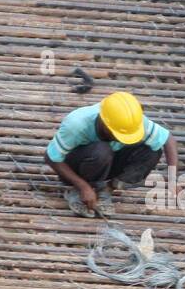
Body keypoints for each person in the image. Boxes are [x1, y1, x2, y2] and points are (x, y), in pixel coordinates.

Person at [45, 91, 178, 217]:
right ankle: (78, 190)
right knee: (102, 150)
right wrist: (83, 186)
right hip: (76, 168)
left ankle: (105, 190)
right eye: (117, 135)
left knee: (151, 151)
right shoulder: (77, 124)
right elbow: (51, 157)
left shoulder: (131, 123)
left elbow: (168, 139)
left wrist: (172, 179)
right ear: (104, 124)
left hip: (107, 164)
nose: (122, 140)